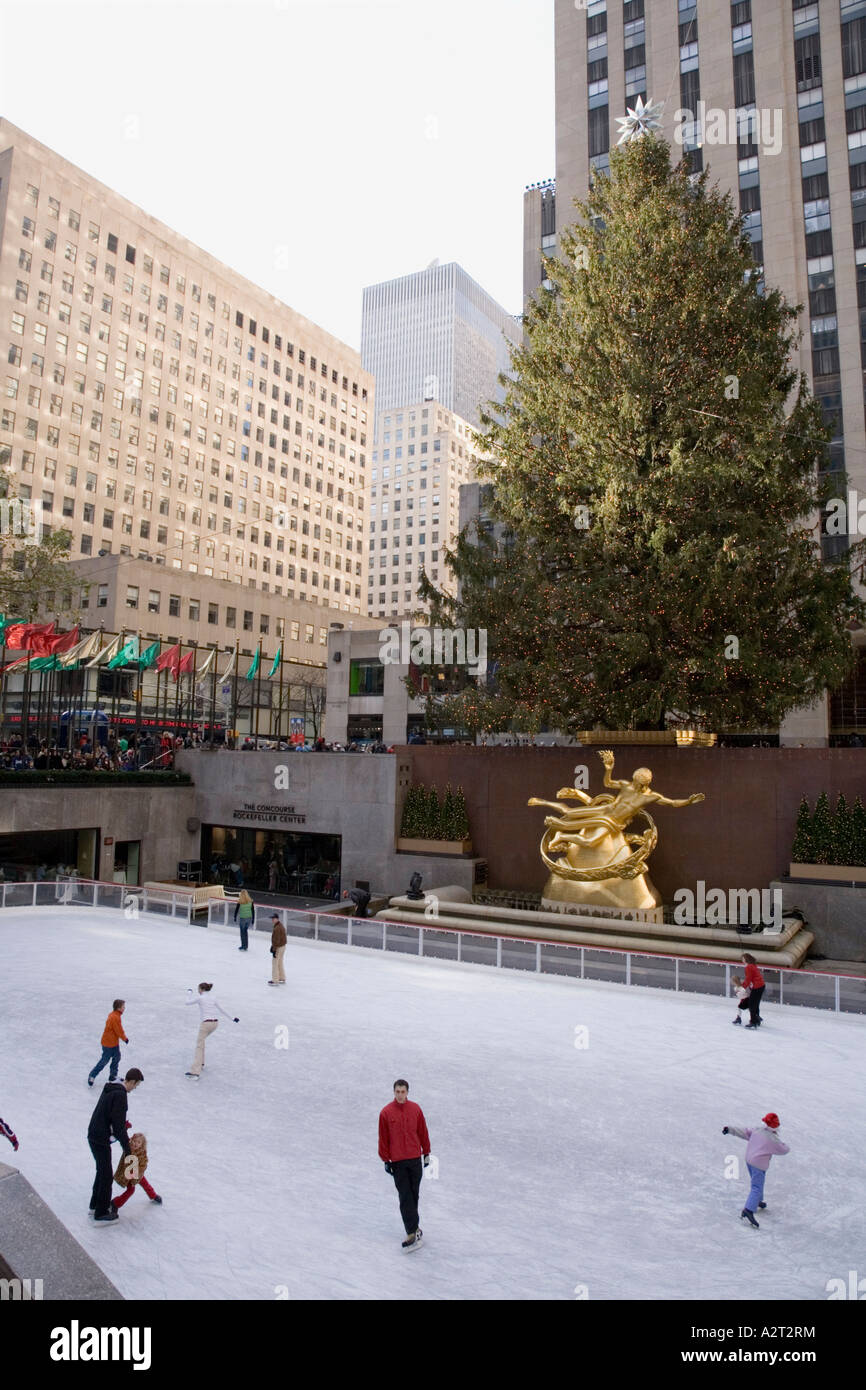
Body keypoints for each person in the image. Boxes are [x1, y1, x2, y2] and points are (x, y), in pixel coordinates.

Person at [378, 1079, 431, 1251]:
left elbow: (422, 1131)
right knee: (405, 1196)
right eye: (397, 1092)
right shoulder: (386, 1113)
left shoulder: (415, 1109)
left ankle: (415, 1228)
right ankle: (411, 1232)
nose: (400, 1095)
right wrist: (386, 1160)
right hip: (399, 1162)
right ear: (394, 1092)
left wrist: (426, 1153)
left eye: (403, 1091)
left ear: (407, 1092)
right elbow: (383, 1138)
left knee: (413, 1195)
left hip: (415, 1159)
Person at [88, 1069, 143, 1223]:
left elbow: (108, 1116)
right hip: (100, 1138)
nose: (134, 1088)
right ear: (131, 1082)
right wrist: (127, 1148)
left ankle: (94, 1205)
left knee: (102, 1170)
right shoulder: (120, 1095)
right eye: (136, 1085)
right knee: (106, 1175)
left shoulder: (111, 1088)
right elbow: (118, 1125)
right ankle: (101, 1212)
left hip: (94, 1134)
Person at [723, 1112, 790, 1228]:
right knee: (756, 1187)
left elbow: (743, 1131)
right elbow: (784, 1150)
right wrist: (781, 1142)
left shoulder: (757, 1130)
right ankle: (748, 1209)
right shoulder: (772, 1139)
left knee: (758, 1182)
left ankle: (758, 1200)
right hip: (758, 1165)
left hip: (749, 1161)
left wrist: (729, 1129)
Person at [185, 982, 238, 1078]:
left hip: (206, 1024)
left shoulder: (200, 998)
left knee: (199, 1046)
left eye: (198, 989)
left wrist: (189, 993)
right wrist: (233, 1018)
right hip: (215, 1024)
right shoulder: (213, 998)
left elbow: (187, 1002)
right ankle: (201, 1063)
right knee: (202, 1041)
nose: (198, 991)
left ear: (202, 989)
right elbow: (222, 1009)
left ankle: (195, 1072)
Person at [112, 1128, 162, 1210]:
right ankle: (115, 1203)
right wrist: (125, 1127)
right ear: (131, 1140)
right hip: (128, 1176)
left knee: (145, 1184)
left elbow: (144, 1162)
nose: (136, 1144)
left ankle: (153, 1195)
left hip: (138, 1174)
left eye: (138, 1142)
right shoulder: (127, 1148)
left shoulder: (142, 1152)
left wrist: (140, 1169)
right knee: (130, 1191)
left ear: (142, 1144)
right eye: (134, 1141)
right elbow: (123, 1137)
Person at [87, 999, 129, 1087]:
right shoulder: (115, 1017)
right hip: (108, 1044)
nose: (124, 1008)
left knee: (117, 1057)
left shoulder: (115, 1015)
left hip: (114, 1043)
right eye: (123, 1007)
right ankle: (92, 1075)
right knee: (104, 1060)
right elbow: (118, 1030)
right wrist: (125, 1039)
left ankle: (112, 1076)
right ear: (118, 1008)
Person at [741, 953, 765, 1028]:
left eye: (743, 958)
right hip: (761, 986)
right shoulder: (752, 965)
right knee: (755, 1004)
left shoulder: (748, 967)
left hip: (757, 987)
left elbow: (748, 979)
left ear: (746, 959)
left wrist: (742, 988)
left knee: (751, 1004)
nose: (742, 960)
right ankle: (757, 1019)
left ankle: (753, 1022)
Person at [269, 912, 287, 985]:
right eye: (272, 919)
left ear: (277, 919)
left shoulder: (277, 928)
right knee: (279, 962)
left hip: (279, 947)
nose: (272, 920)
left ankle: (275, 980)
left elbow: (277, 940)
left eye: (273, 918)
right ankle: (282, 978)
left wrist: (274, 949)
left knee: (275, 963)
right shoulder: (280, 925)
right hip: (283, 946)